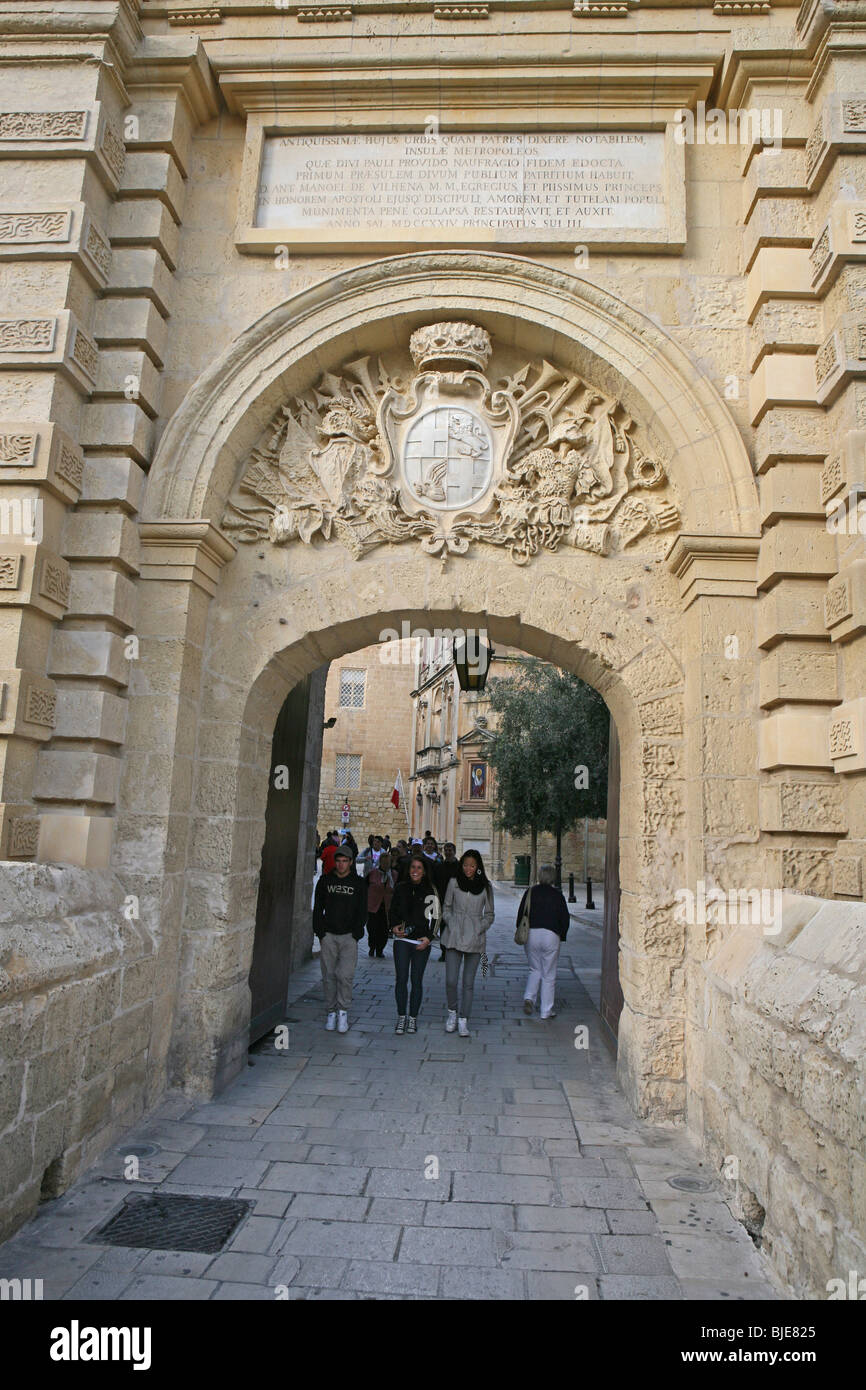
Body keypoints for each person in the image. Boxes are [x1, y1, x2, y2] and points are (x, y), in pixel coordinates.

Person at [312, 842, 367, 1032]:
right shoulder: (325, 881)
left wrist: (357, 933)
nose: (342, 864)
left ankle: (343, 1010)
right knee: (329, 975)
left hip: (348, 936)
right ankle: (331, 1011)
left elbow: (362, 909)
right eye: (339, 861)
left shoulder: (358, 883)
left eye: (345, 861)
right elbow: (318, 908)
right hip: (329, 935)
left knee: (345, 975)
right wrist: (320, 932)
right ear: (335, 862)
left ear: (351, 862)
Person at [441, 849, 495, 1037]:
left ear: (478, 866)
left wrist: (480, 927)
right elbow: (446, 907)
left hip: (475, 938)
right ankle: (452, 1013)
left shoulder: (485, 887)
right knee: (450, 980)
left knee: (468, 982)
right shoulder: (454, 883)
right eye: (465, 865)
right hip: (454, 936)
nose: (468, 869)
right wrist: (451, 922)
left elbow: (489, 914)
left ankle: (464, 1019)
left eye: (472, 865)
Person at [389, 853, 440, 1035]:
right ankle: (401, 1016)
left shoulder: (430, 890)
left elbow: (435, 917)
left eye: (419, 868)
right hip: (402, 940)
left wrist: (429, 938)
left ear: (424, 871)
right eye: (412, 867)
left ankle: (413, 1018)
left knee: (416, 981)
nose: (415, 871)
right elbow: (393, 910)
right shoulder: (401, 888)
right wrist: (394, 927)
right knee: (401, 980)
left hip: (421, 942)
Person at [518, 863, 570, 1020]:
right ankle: (546, 1010)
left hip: (532, 934)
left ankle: (529, 997)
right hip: (551, 935)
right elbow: (564, 918)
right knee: (549, 974)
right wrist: (562, 935)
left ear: (540, 876)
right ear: (553, 877)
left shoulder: (530, 892)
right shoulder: (557, 895)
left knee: (535, 969)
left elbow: (521, 914)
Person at [435, 842, 460, 961]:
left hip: (457, 903)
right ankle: (444, 952)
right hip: (443, 901)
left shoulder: (460, 867)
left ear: (454, 851)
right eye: (446, 850)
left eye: (450, 850)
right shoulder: (439, 867)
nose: (448, 852)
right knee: (444, 927)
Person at [366, 850, 394, 958]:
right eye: (384, 862)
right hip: (373, 906)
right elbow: (366, 887)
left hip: (386, 907)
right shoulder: (372, 873)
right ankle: (372, 947)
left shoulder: (394, 875)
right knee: (372, 928)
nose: (386, 864)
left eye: (388, 862)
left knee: (384, 930)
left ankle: (380, 949)